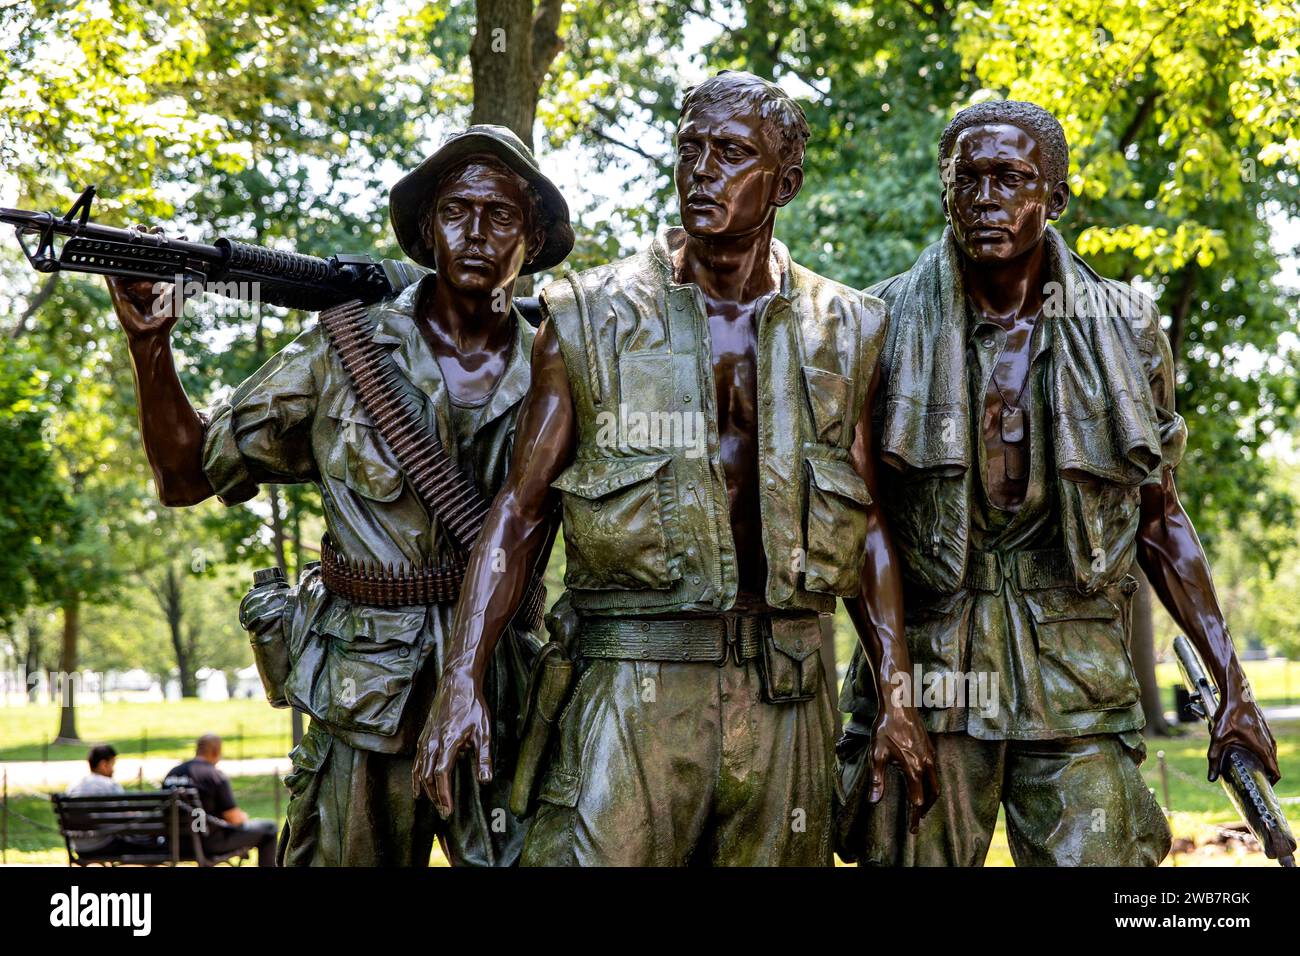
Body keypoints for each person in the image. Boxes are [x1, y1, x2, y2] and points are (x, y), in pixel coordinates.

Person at [415, 70, 937, 866]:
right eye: (689, 149)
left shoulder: (850, 326)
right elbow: (520, 514)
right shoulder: (587, 315)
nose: (701, 170)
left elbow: (863, 522)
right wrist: (462, 681)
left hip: (786, 690)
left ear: (785, 181)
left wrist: (897, 694)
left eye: (731, 153)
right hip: (629, 684)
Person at [106, 125, 574, 866]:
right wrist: (150, 348)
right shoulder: (342, 351)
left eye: (502, 215)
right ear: (427, 228)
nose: (476, 233)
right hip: (361, 695)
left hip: (502, 688)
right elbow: (186, 475)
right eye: (457, 211)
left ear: (536, 236)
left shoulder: (566, 364)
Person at [836, 100, 1280, 866]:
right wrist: (895, 696)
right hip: (934, 670)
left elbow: (1159, 517)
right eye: (965, 180)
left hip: (1076, 668)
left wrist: (1231, 680)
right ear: (944, 192)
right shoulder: (877, 325)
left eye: (1010, 179)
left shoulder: (1129, 330)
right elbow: (860, 520)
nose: (986, 200)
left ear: (1056, 197)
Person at [165, 734, 278, 866]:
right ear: (216, 751)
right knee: (269, 828)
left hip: (174, 843)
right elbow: (233, 818)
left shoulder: (173, 773)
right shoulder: (213, 775)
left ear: (198, 749)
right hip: (209, 843)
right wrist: (244, 818)